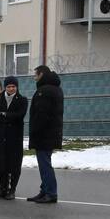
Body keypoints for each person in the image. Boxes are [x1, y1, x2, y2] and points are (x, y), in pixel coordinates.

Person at [27, 66, 63, 204]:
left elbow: (42, 114)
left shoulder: (45, 91)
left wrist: (35, 131)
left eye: (35, 75)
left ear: (41, 74)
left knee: (45, 165)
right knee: (44, 163)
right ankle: (45, 190)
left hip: (44, 134)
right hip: (50, 133)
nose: (34, 77)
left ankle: (51, 193)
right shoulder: (54, 88)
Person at [0, 77, 27, 200]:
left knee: (14, 164)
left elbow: (20, 115)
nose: (11, 89)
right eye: (9, 86)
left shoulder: (22, 100)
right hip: (0, 136)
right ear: (5, 87)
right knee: (1, 163)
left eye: (13, 86)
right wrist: (6, 116)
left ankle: (12, 189)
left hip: (14, 137)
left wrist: (4, 114)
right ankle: (3, 189)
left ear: (16, 87)